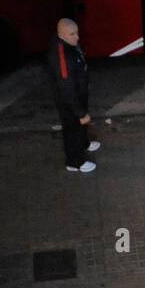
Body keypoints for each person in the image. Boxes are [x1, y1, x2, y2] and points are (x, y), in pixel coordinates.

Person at [47, 18, 100, 173]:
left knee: (80, 127)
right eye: (72, 34)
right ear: (61, 35)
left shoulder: (68, 45)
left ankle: (84, 144)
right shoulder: (62, 56)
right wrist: (80, 113)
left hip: (78, 95)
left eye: (77, 33)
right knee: (72, 131)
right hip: (69, 102)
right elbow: (67, 88)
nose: (77, 37)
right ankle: (75, 162)